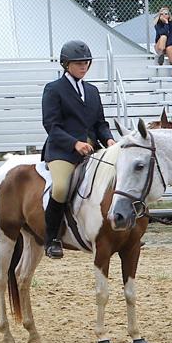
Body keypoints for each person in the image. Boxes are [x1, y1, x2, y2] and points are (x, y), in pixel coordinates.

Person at [40, 40, 116, 259]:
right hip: (63, 152)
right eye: (78, 63)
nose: (83, 67)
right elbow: (51, 125)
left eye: (86, 63)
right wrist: (74, 143)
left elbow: (100, 123)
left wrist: (109, 140)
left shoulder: (92, 91)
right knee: (62, 187)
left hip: (92, 150)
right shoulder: (54, 89)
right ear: (66, 64)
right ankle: (52, 238)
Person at [153, 6, 172, 77]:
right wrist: (165, 23)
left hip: (169, 46)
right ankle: (161, 54)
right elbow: (163, 32)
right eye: (162, 14)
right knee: (163, 36)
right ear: (159, 15)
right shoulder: (157, 25)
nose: (164, 15)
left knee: (169, 49)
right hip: (159, 47)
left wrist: (167, 23)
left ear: (169, 15)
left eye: (166, 14)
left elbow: (171, 39)